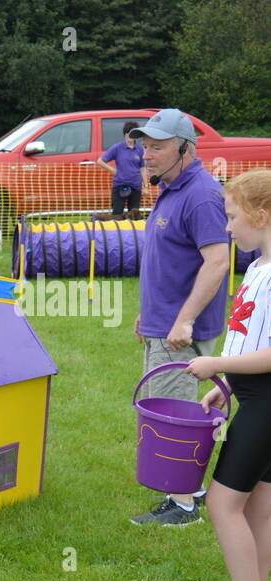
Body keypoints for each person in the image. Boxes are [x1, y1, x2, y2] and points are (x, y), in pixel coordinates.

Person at [128, 109, 229, 526]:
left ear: (185, 149)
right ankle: (192, 485)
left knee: (172, 410)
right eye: (145, 146)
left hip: (179, 332)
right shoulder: (171, 188)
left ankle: (183, 504)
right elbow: (167, 261)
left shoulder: (201, 194)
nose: (146, 155)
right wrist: (147, 314)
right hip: (164, 324)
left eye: (157, 147)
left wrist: (184, 320)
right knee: (167, 405)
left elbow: (218, 261)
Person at [183, 170, 271, 581]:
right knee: (258, 505)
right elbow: (252, 339)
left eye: (233, 217)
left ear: (261, 214)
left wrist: (214, 362)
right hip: (255, 397)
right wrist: (230, 383)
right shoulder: (258, 266)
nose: (228, 228)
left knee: (222, 503)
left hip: (267, 405)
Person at [96, 121, 147, 220]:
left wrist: (145, 186)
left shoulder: (140, 150)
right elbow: (100, 161)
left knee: (135, 216)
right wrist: (111, 170)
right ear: (124, 135)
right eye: (128, 134)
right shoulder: (117, 148)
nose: (130, 137)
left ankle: (132, 234)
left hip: (136, 187)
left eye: (133, 134)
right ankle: (116, 234)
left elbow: (143, 168)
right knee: (117, 215)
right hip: (119, 186)